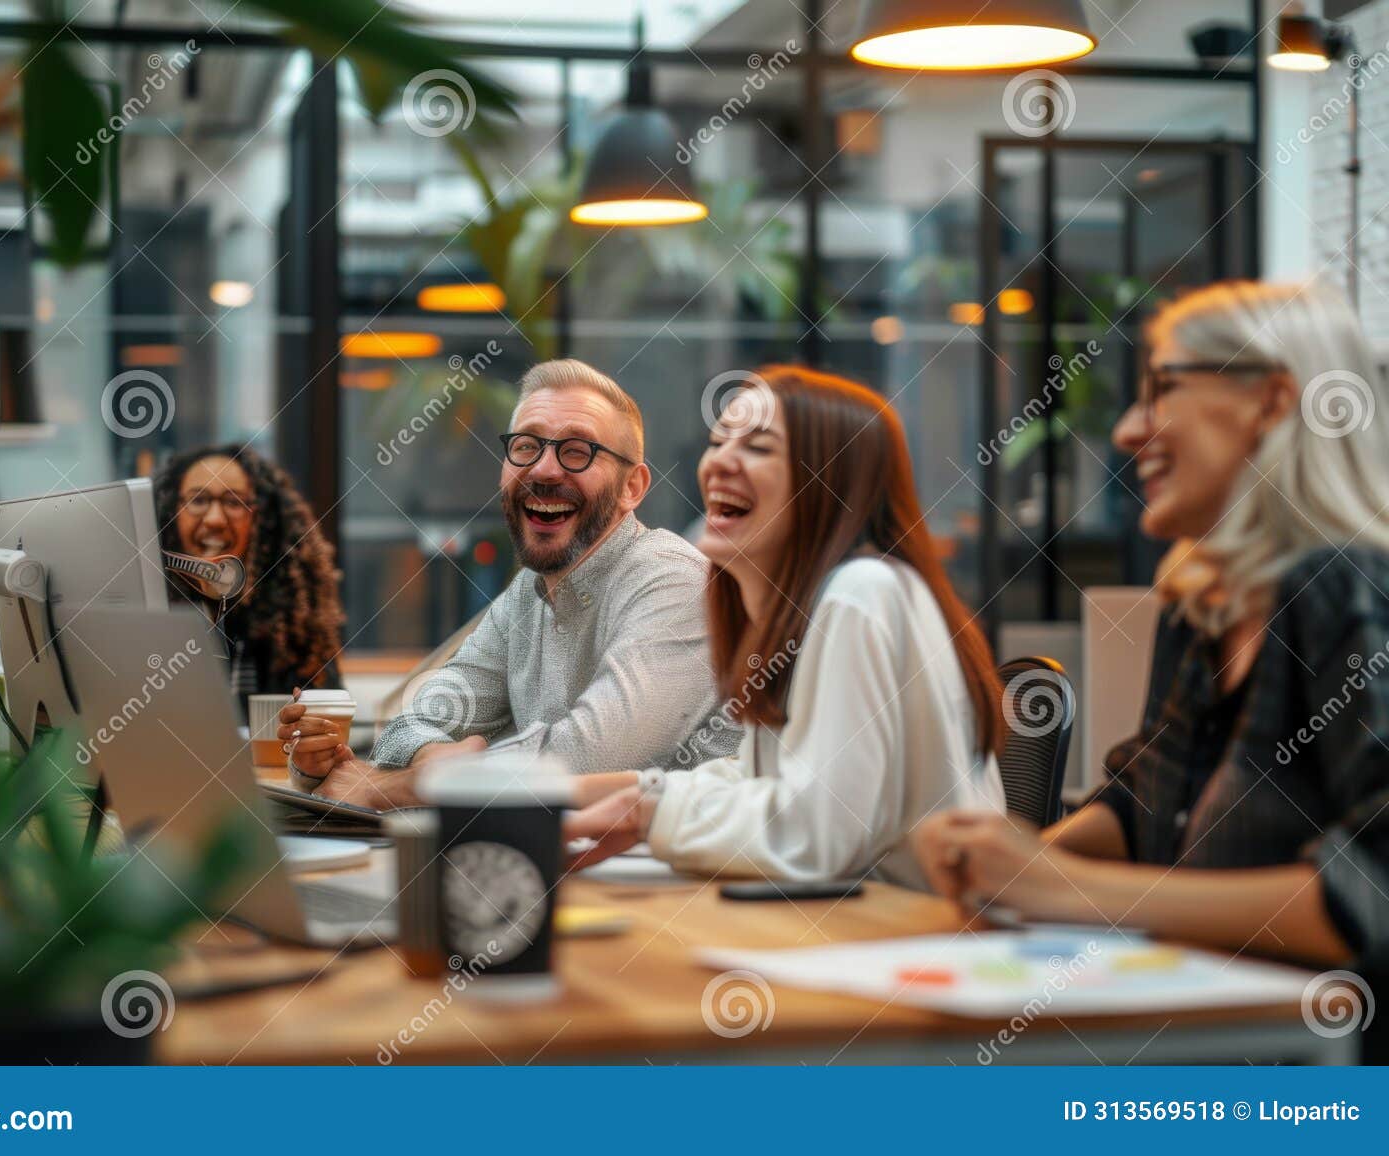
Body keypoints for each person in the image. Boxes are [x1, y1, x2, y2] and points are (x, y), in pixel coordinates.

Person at [911, 279, 1389, 975]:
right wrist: (1006, 860)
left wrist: (1064, 889)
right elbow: (1143, 805)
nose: (1129, 430)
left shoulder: (1350, 591)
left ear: (1274, 401)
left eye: (1163, 389)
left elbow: (1372, 890)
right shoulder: (1200, 605)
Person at [563, 365, 1006, 887]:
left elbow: (816, 835)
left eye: (759, 447)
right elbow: (766, 782)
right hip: (869, 930)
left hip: (918, 940)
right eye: (718, 441)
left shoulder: (861, 593)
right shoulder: (805, 609)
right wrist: (622, 794)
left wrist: (648, 813)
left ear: (830, 482)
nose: (719, 462)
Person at [280, 359, 742, 804]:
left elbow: (587, 760)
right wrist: (434, 761)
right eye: (525, 446)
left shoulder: (673, 580)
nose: (543, 470)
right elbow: (412, 722)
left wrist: (402, 787)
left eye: (577, 451)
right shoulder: (530, 591)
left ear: (632, 488)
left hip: (678, 882)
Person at [155, 445, 345, 714]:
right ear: (171, 513)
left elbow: (327, 718)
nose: (214, 519)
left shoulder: (295, 624)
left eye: (234, 502)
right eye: (198, 500)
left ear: (263, 519)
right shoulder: (149, 615)